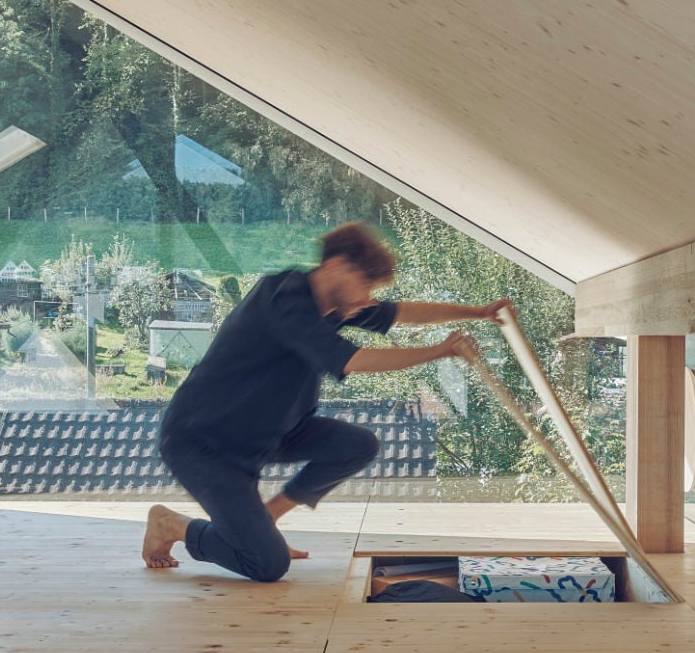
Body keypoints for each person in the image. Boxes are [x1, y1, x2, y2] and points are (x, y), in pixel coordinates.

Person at [141, 221, 510, 581]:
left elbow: (402, 312)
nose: (367, 300)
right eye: (365, 286)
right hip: (204, 443)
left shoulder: (335, 305)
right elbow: (354, 361)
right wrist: (438, 352)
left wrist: (477, 313)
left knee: (357, 445)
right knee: (267, 564)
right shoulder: (283, 300)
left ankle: (268, 516)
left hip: (267, 435)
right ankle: (173, 524)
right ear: (335, 267)